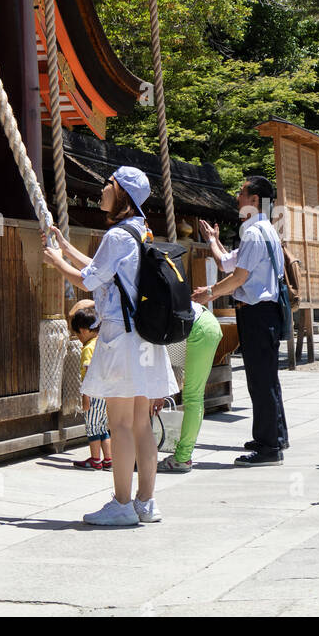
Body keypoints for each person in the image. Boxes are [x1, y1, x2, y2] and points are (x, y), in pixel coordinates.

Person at [42, 165, 176, 527]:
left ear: (123, 194)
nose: (103, 189)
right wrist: (66, 246)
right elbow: (105, 272)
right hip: (145, 336)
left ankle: (120, 503)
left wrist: (56, 261)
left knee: (118, 424)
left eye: (109, 184)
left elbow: (89, 281)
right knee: (141, 424)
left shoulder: (118, 235)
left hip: (121, 336)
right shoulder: (140, 229)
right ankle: (145, 502)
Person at [194, 175, 288, 465]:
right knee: (267, 378)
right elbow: (227, 263)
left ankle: (267, 447)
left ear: (254, 199)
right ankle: (276, 436)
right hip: (265, 312)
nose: (237, 196)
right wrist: (213, 241)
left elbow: (238, 277)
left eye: (242, 192)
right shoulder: (264, 230)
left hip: (258, 313)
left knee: (261, 380)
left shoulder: (254, 232)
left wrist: (209, 293)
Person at [156, 292, 222, 473]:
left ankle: (183, 458)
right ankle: (182, 457)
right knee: (195, 397)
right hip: (205, 322)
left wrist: (159, 393)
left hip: (198, 329)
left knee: (193, 397)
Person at [69, 306, 112, 471]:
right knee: (103, 428)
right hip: (105, 394)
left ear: (83, 331)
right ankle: (108, 459)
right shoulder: (102, 343)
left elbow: (89, 374)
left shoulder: (88, 349)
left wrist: (85, 397)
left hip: (93, 393)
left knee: (92, 427)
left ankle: (95, 459)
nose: (79, 338)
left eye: (78, 334)